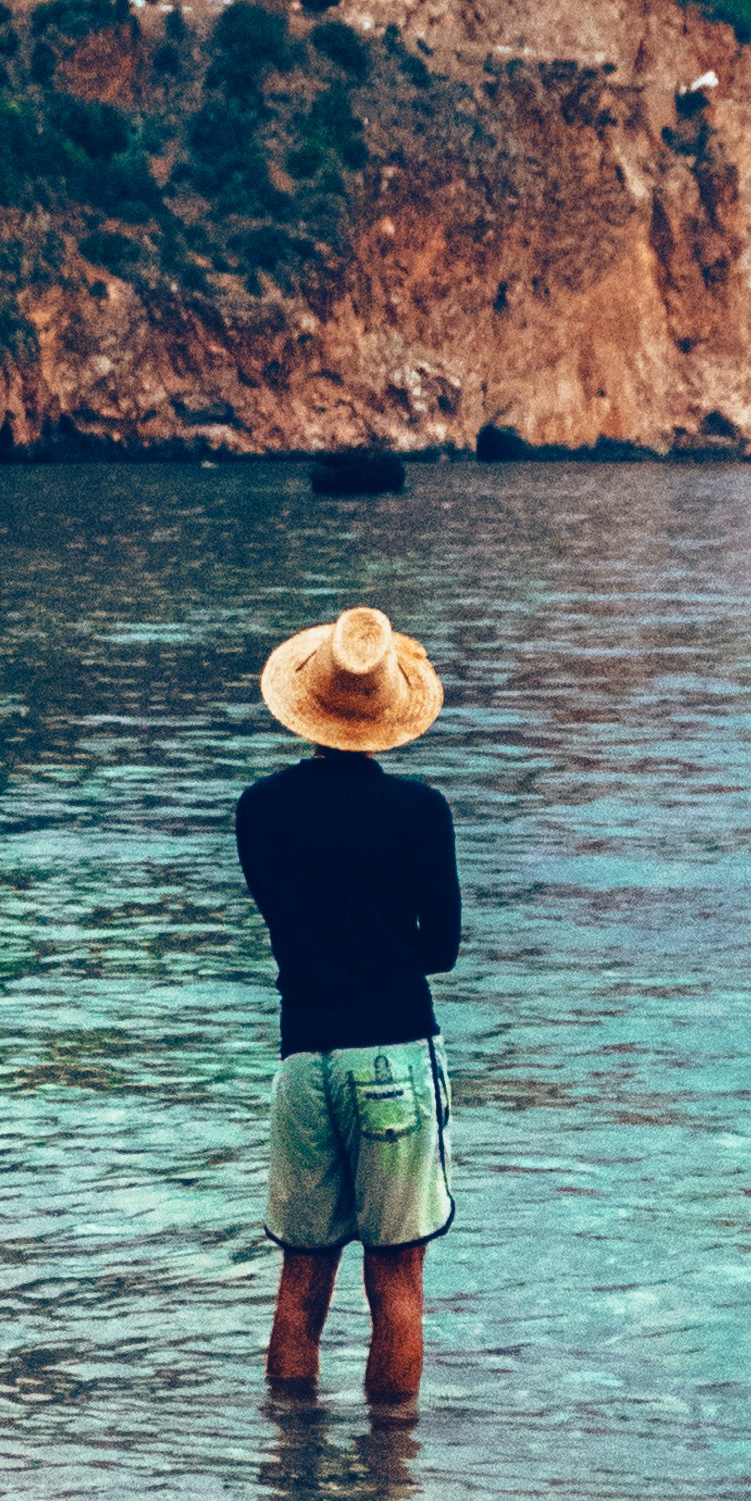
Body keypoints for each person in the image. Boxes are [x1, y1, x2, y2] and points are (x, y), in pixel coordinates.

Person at [238, 598, 459, 1409]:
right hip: (394, 1053)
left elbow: (282, 921)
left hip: (303, 1057)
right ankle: (385, 1492)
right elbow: (440, 950)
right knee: (396, 1282)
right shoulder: (420, 813)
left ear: (307, 704)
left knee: (301, 1277)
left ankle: (294, 1478)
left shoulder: (257, 810)